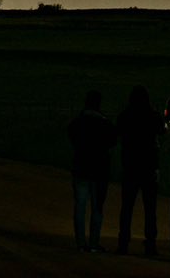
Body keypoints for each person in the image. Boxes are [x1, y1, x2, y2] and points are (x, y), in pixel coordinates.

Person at [115, 84, 164, 255]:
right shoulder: (153, 116)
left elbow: (117, 132)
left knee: (127, 207)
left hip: (130, 166)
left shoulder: (126, 116)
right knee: (150, 208)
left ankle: (123, 242)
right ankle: (150, 243)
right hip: (149, 167)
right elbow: (162, 130)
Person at [67, 89, 116, 252]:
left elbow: (72, 137)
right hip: (99, 170)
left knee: (80, 206)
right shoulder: (105, 124)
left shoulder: (78, 122)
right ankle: (94, 243)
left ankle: (81, 242)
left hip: (81, 167)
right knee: (97, 208)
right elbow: (112, 143)